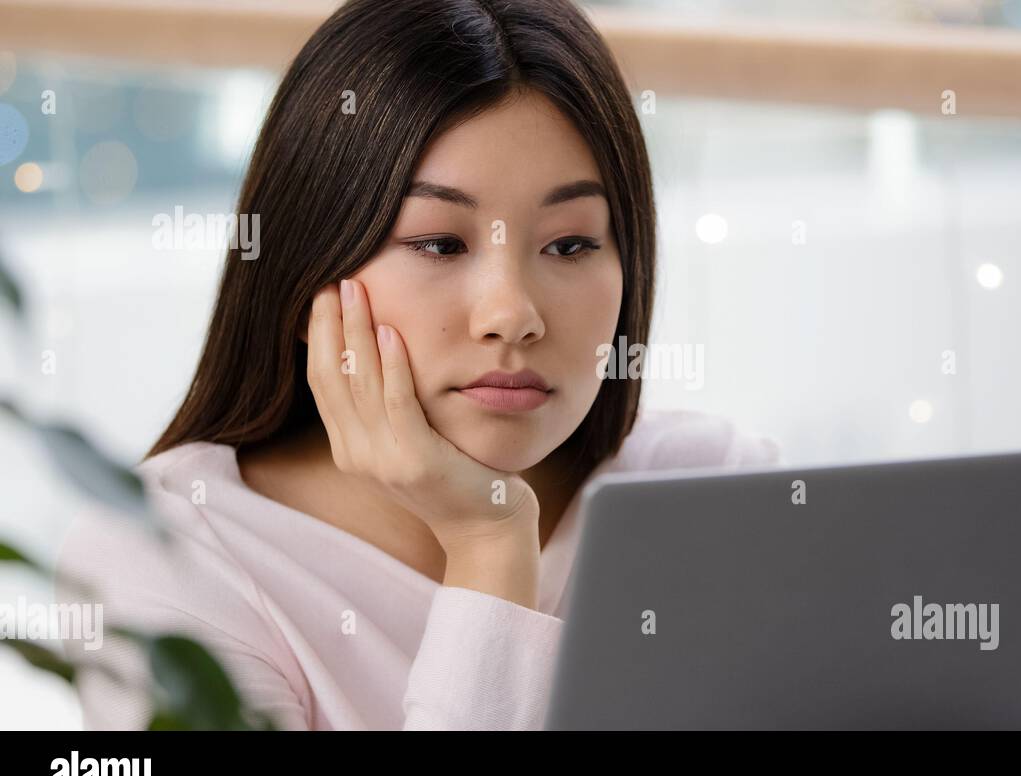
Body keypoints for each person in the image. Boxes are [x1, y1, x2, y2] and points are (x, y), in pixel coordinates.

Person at [55, 0, 780, 730]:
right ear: (309, 269)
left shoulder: (711, 491)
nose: (513, 315)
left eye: (569, 244)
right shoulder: (166, 557)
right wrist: (491, 548)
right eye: (440, 244)